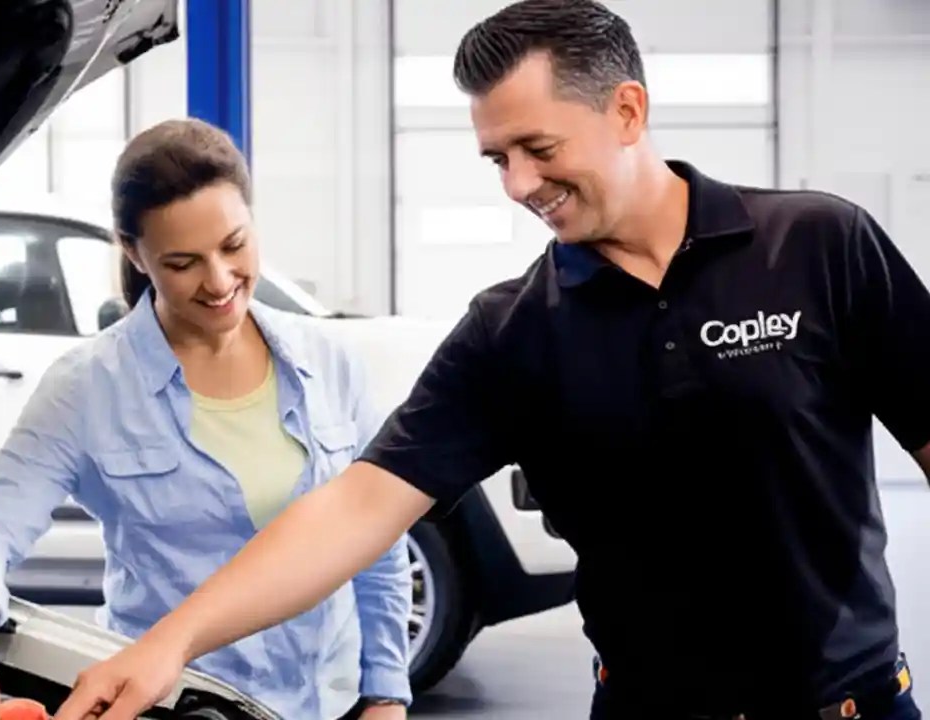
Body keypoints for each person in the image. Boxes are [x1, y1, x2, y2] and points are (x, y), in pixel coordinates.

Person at [54, 1, 930, 719]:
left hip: (851, 707)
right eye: (496, 158)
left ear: (627, 110)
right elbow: (357, 507)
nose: (516, 185)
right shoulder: (515, 331)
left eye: (538, 150)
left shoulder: (816, 245)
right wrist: (171, 640)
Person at [0, 118, 414, 720]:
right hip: (172, 706)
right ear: (133, 251)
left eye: (234, 245)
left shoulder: (330, 363)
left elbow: (377, 537)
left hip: (324, 704)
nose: (221, 281)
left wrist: (385, 694)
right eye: (183, 263)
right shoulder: (88, 388)